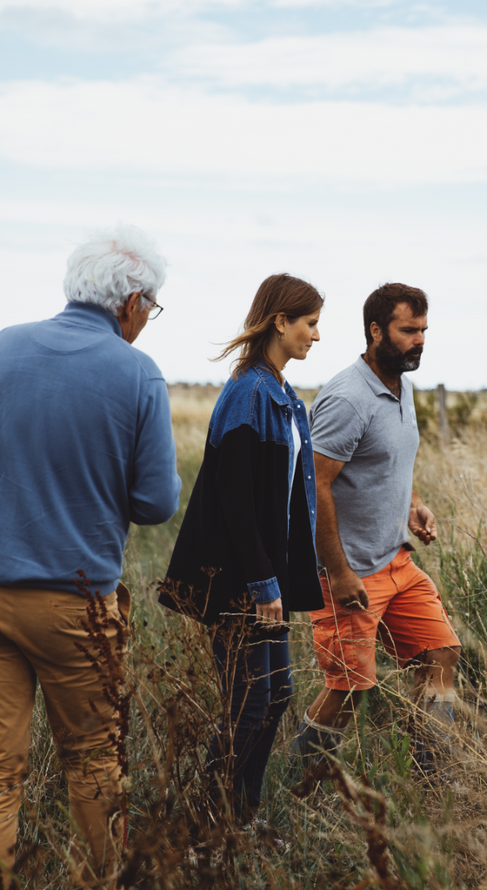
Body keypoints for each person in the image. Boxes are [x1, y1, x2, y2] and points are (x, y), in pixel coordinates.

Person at [0, 226, 181, 884]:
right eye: (151, 308)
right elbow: (157, 504)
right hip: (76, 604)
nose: (146, 321)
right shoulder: (136, 373)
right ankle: (103, 880)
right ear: (132, 301)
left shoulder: (2, 348)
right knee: (95, 766)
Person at [159, 274, 324, 825]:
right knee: (251, 703)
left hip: (262, 576)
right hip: (238, 580)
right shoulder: (249, 393)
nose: (316, 336)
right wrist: (261, 581)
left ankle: (240, 817)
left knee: (274, 696)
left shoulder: (280, 394)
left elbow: (278, 502)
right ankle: (211, 822)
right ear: (280, 321)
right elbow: (234, 500)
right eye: (309, 323)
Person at [288, 282, 461, 785]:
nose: (420, 340)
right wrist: (338, 573)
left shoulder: (402, 385)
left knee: (440, 653)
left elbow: (391, 459)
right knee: (349, 687)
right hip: (349, 571)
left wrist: (414, 503)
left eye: (424, 331)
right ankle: (297, 793)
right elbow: (314, 487)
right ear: (376, 330)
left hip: (396, 562)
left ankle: (430, 781)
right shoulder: (347, 398)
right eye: (409, 330)